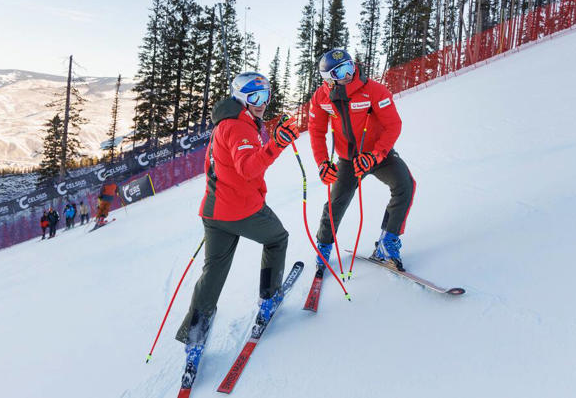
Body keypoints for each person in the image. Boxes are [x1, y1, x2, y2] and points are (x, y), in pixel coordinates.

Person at [175, 72, 299, 385]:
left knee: (213, 273)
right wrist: (278, 143)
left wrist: (271, 135)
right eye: (255, 97)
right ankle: (268, 298)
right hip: (242, 209)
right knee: (278, 239)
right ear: (242, 98)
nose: (262, 104)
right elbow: (248, 166)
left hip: (215, 211)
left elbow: (219, 164)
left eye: (266, 96)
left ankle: (195, 339)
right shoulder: (238, 126)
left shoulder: (225, 122)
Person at [308, 48, 416, 272]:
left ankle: (388, 242)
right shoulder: (321, 97)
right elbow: (316, 131)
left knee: (405, 184)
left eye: (349, 67)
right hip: (348, 160)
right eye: (340, 72)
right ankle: (324, 246)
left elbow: (393, 125)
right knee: (336, 202)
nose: (348, 74)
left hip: (378, 155)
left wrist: (376, 155)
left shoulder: (374, 90)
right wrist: (321, 163)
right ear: (328, 79)